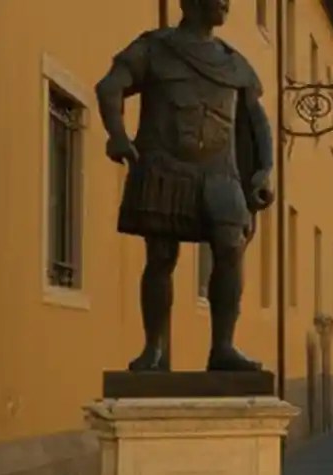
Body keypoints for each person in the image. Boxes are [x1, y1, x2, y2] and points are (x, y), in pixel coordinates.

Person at [96, 0, 274, 372]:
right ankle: (153, 349)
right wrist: (116, 134)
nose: (226, 3)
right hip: (165, 167)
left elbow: (256, 121)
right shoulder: (154, 48)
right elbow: (110, 87)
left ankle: (222, 347)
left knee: (230, 250)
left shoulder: (236, 64)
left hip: (220, 175)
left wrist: (264, 170)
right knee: (160, 257)